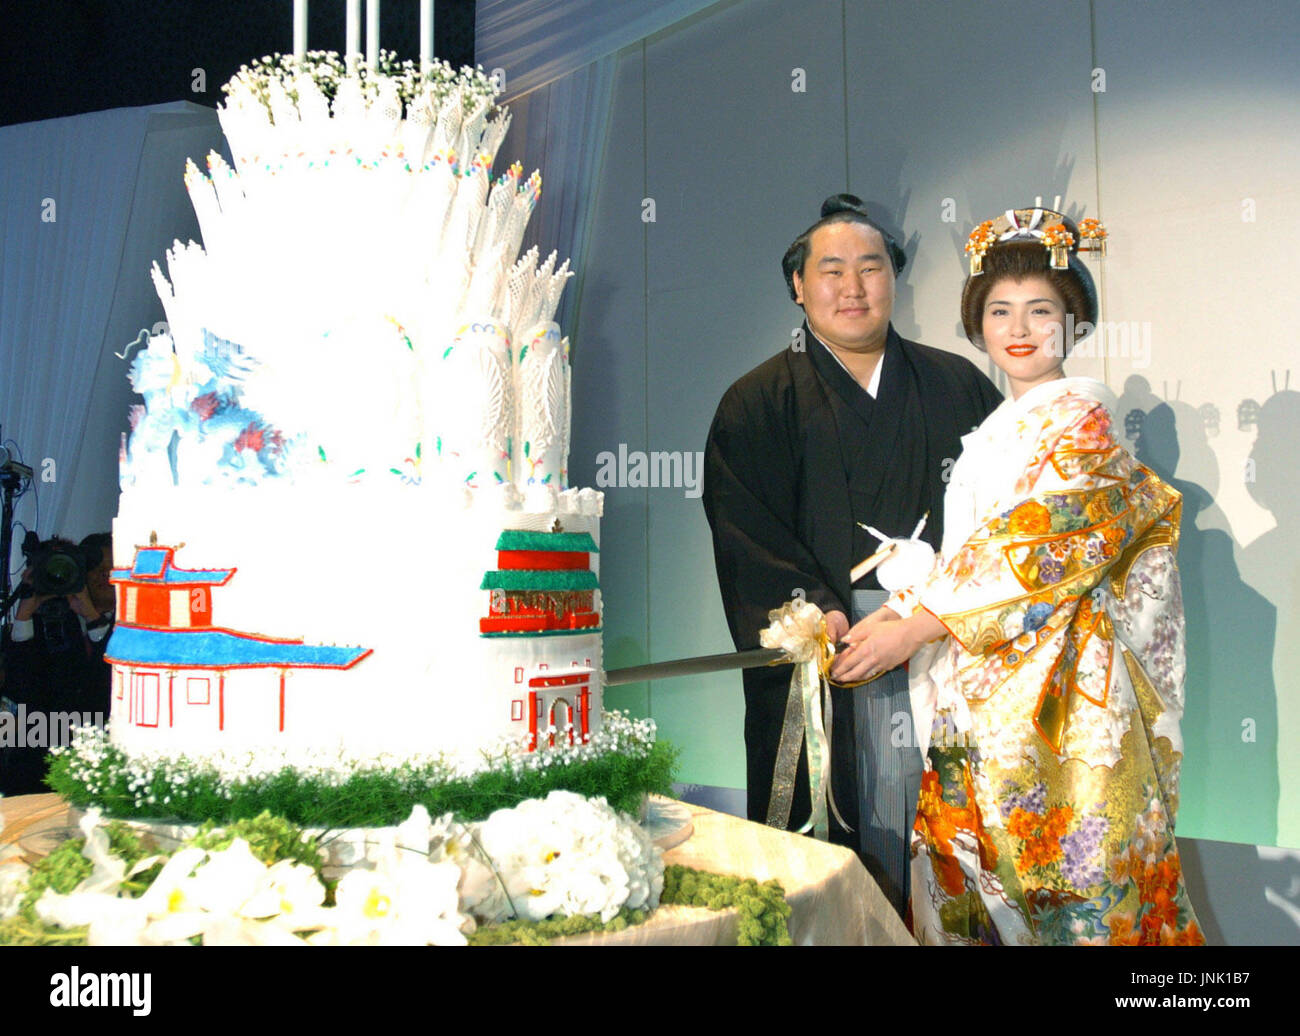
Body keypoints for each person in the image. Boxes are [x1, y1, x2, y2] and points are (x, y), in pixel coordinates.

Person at [837, 206, 1204, 944]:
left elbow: (1042, 541)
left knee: (1079, 889)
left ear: (1075, 322)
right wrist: (903, 607)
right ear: (978, 326)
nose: (1020, 327)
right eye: (1000, 310)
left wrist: (921, 622)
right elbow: (982, 553)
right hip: (982, 685)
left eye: (1043, 310)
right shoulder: (996, 432)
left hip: (1063, 701)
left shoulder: (1084, 424)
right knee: (968, 877)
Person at [703, 194, 1001, 915]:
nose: (853, 286)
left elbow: (1003, 519)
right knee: (831, 849)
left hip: (941, 643)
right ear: (799, 285)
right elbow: (747, 531)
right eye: (831, 270)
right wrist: (818, 614)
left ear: (894, 281)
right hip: (834, 654)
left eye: (871, 267)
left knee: (959, 843)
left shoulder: (957, 384)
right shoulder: (756, 402)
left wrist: (929, 617)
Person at [0, 533, 114, 795]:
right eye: (96, 570)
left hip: (100, 770)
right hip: (39, 770)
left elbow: (112, 683)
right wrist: (25, 614)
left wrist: (92, 617)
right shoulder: (48, 621)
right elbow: (20, 690)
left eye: (112, 570)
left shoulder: (134, 625)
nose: (103, 578)